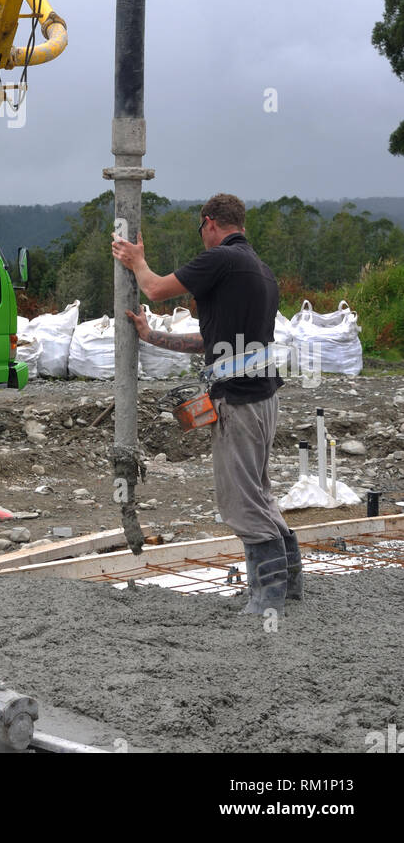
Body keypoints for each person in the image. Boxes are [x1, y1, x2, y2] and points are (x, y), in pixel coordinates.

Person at [111, 192, 302, 615]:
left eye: (201, 230)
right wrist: (152, 337)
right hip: (263, 395)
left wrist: (137, 260)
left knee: (240, 499)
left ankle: (266, 598)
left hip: (239, 400)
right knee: (260, 492)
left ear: (209, 222)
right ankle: (288, 586)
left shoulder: (220, 260)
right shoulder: (259, 270)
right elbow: (212, 342)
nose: (202, 237)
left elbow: (156, 288)